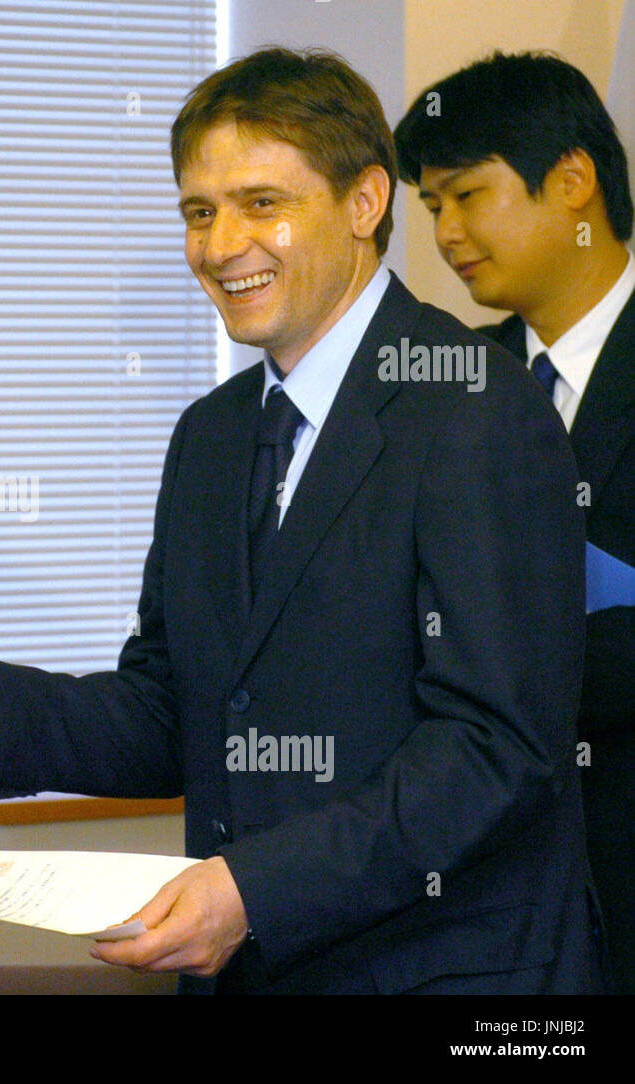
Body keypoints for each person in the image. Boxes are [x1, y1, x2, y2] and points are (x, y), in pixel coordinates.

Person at [0, 48, 603, 994]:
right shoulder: (209, 436)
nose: (221, 243)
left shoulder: (476, 406)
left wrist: (251, 892)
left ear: (366, 204)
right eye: (198, 212)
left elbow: (498, 748)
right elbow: (173, 708)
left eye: (261, 204)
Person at [395, 51, 635, 994]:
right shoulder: (440, 383)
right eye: (430, 206)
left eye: (467, 195)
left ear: (572, 180)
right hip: (480, 903)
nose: (447, 232)